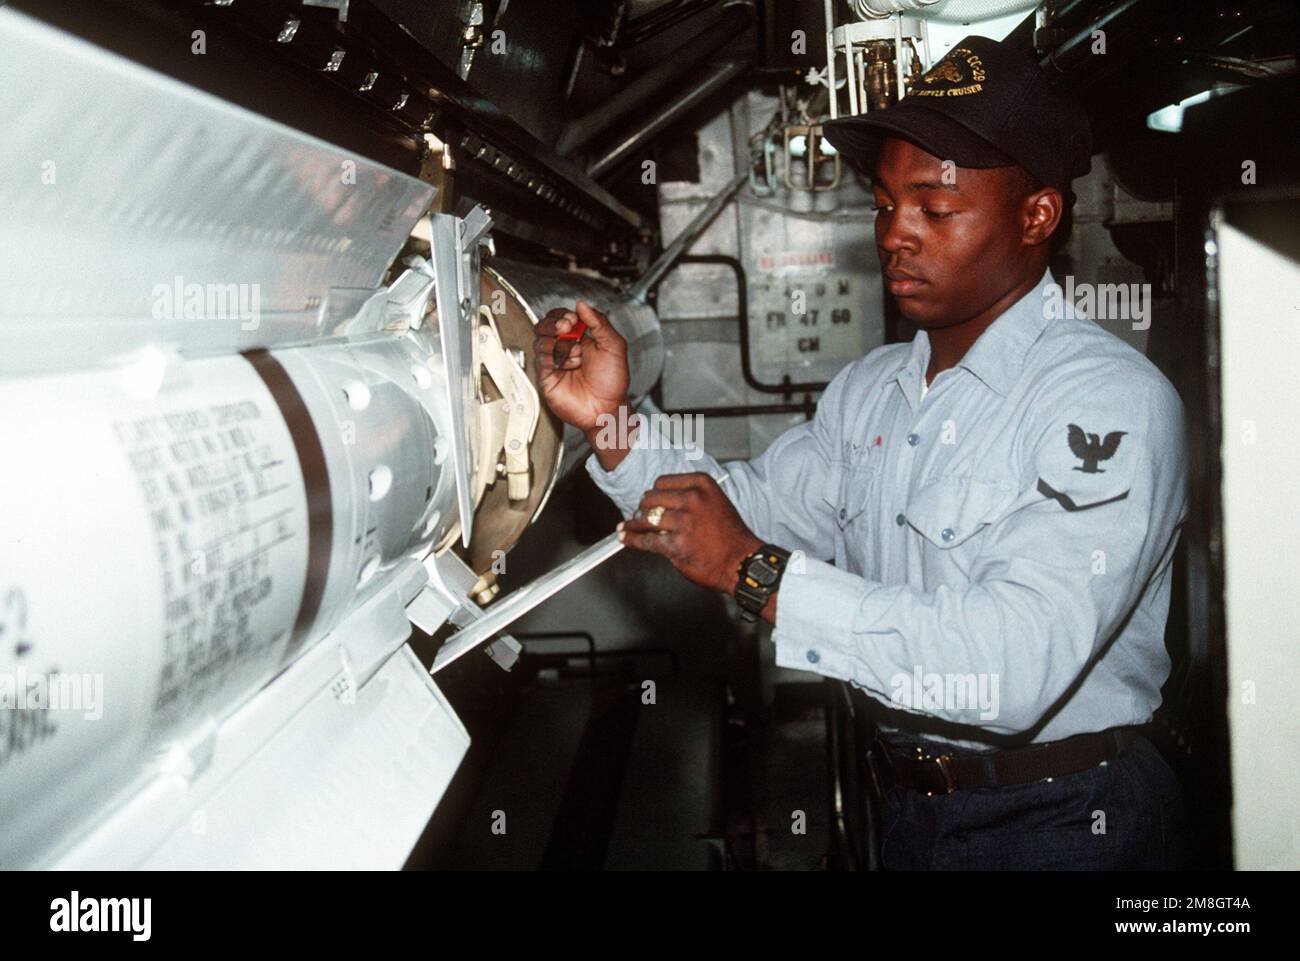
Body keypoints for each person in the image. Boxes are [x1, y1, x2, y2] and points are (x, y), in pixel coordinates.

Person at [531, 35, 1186, 870]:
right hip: (914, 810)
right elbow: (743, 514)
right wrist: (610, 422)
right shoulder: (874, 389)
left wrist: (754, 573)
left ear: (1037, 216)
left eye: (935, 209)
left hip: (1064, 822)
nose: (896, 236)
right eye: (884, 205)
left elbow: (1014, 662)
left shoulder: (1106, 403)